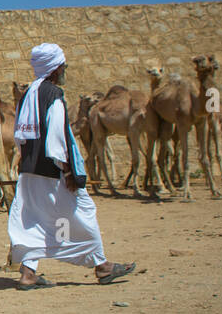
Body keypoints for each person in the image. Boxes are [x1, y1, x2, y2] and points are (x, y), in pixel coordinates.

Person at [7, 43, 136, 289]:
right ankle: (103, 267)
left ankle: (28, 273)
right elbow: (57, 136)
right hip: (54, 171)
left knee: (33, 219)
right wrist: (68, 171)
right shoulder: (53, 94)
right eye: (63, 65)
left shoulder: (28, 94)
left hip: (30, 171)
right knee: (84, 211)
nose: (65, 69)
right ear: (55, 68)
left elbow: (19, 135)